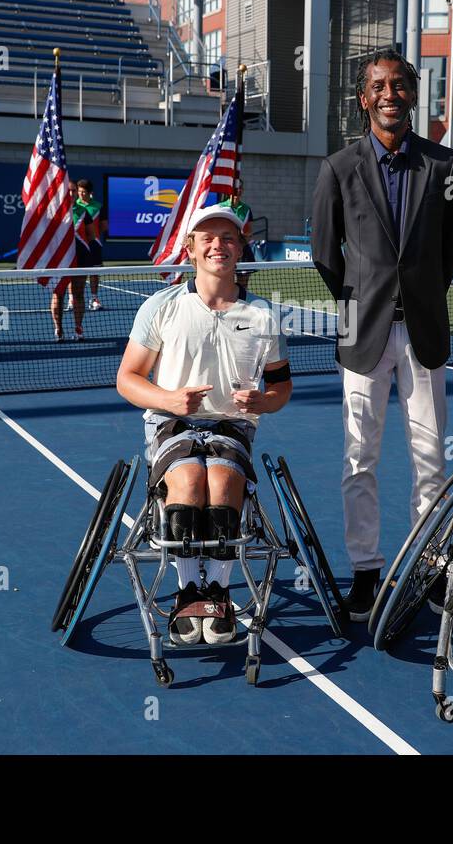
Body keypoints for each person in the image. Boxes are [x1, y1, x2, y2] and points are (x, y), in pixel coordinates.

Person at [310, 48, 453, 621]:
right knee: (361, 460)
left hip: (425, 330)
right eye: (379, 85)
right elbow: (326, 256)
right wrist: (362, 305)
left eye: (400, 85)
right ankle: (366, 572)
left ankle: (427, 567)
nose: (390, 94)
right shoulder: (337, 168)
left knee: (431, 459)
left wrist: (419, 295)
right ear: (363, 98)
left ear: (413, 93)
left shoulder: (447, 168)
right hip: (362, 331)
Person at [116, 204, 291, 646]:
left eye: (228, 238)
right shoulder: (164, 305)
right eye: (208, 238)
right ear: (190, 248)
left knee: (223, 479)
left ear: (240, 247)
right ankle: (187, 592)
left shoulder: (263, 315)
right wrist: (170, 399)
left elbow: (282, 387)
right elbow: (128, 378)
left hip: (232, 426)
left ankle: (216, 591)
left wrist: (263, 401)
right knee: (190, 478)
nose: (219, 245)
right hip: (172, 422)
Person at [51, 178, 106, 340]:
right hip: (60, 260)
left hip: (80, 259)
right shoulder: (54, 212)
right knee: (58, 294)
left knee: (79, 293)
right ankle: (59, 329)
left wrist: (77, 246)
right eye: (68, 190)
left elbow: (91, 235)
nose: (72, 193)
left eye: (74, 190)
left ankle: (78, 329)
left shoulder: (84, 213)